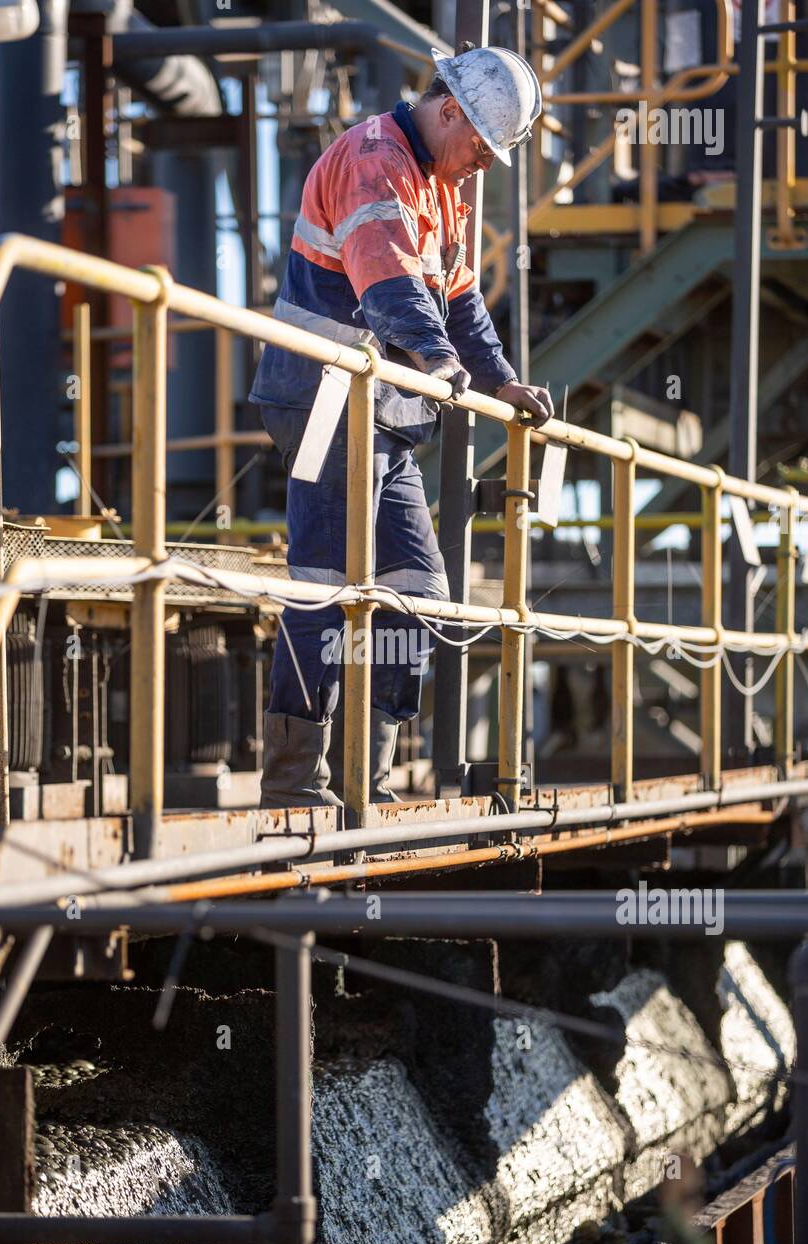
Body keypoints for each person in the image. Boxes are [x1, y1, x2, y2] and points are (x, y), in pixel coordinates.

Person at [251, 44, 554, 808]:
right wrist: (436, 358)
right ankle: (294, 784)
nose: (484, 164)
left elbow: (458, 303)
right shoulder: (373, 157)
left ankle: (366, 781)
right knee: (325, 583)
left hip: (383, 408)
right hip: (324, 396)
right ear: (449, 110)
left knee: (416, 586)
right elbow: (388, 281)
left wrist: (500, 378)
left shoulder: (443, 182)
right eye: (482, 148)